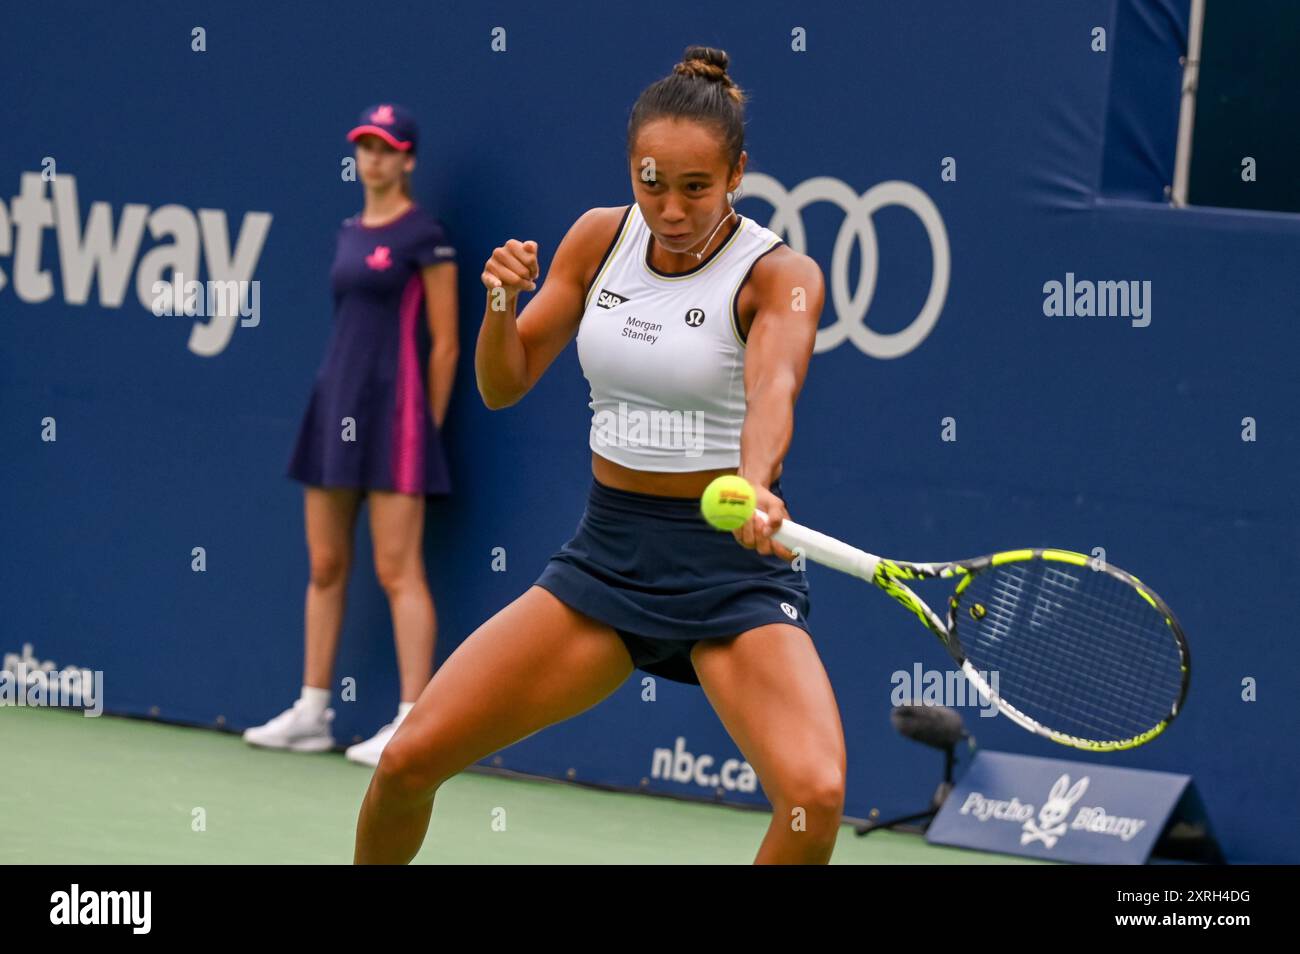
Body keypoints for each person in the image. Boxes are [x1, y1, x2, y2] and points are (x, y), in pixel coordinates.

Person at [355, 47, 845, 863]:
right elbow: (503, 384)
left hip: (730, 571)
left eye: (697, 188)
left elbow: (774, 390)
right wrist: (500, 304)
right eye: (652, 182)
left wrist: (755, 484)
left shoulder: (780, 275)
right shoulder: (596, 240)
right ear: (631, 168)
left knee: (814, 796)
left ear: (738, 175)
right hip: (608, 560)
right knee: (407, 763)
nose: (673, 207)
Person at [244, 103, 459, 767]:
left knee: (399, 571)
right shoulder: (345, 231)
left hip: (397, 422)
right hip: (333, 407)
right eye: (365, 146)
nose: (373, 158)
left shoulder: (426, 236)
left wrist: (426, 427)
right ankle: (312, 710)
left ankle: (411, 720)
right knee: (327, 564)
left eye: (387, 148)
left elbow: (448, 344)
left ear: (408, 159)